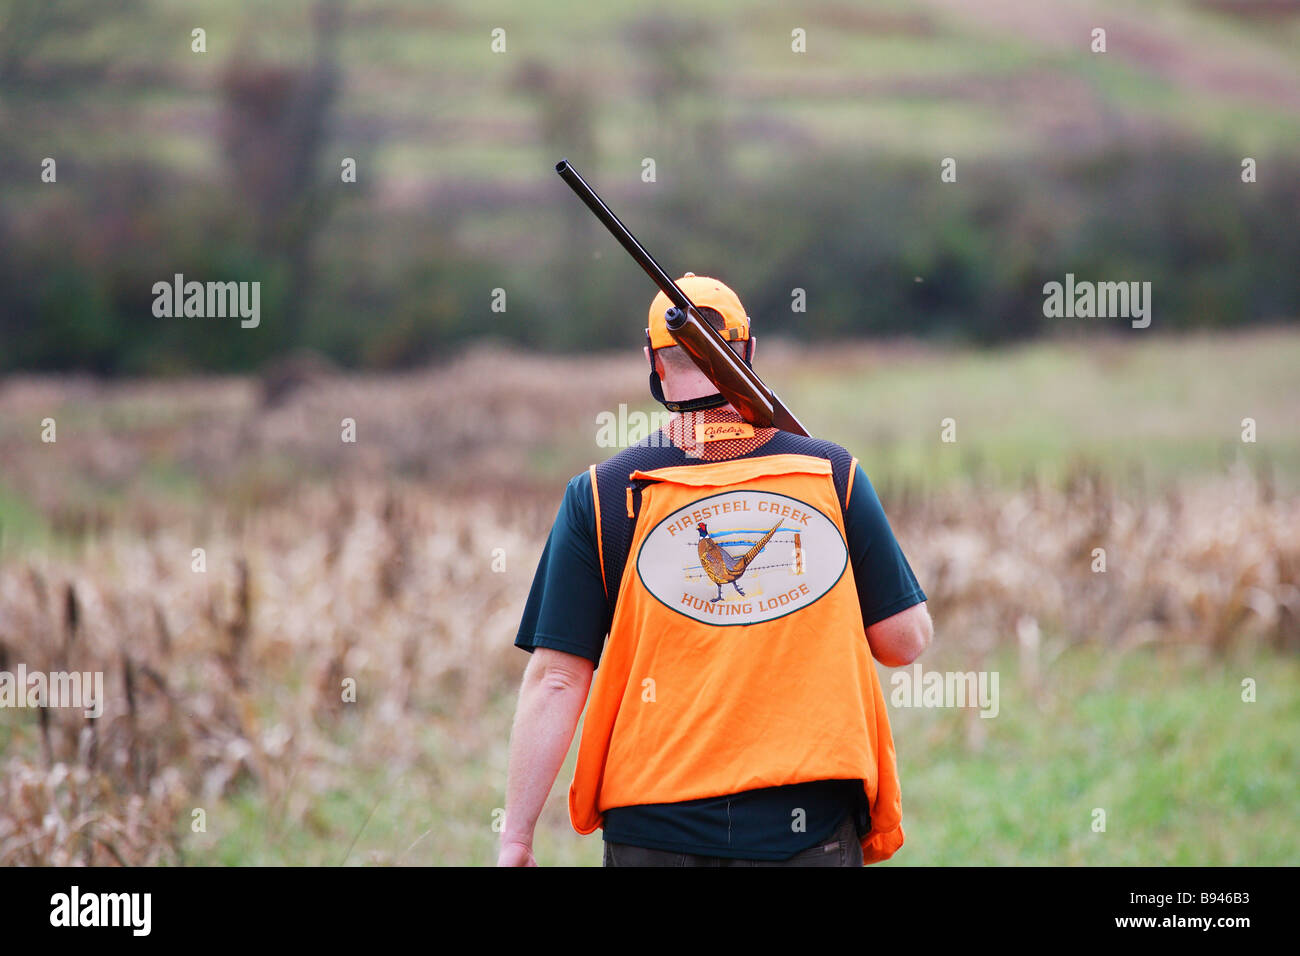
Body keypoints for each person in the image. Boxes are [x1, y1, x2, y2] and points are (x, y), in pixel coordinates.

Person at [499, 275, 932, 867]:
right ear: (748, 352)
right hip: (807, 827)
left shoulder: (600, 496)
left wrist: (516, 838)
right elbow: (904, 642)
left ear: (654, 365)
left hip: (654, 828)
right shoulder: (832, 475)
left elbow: (556, 679)